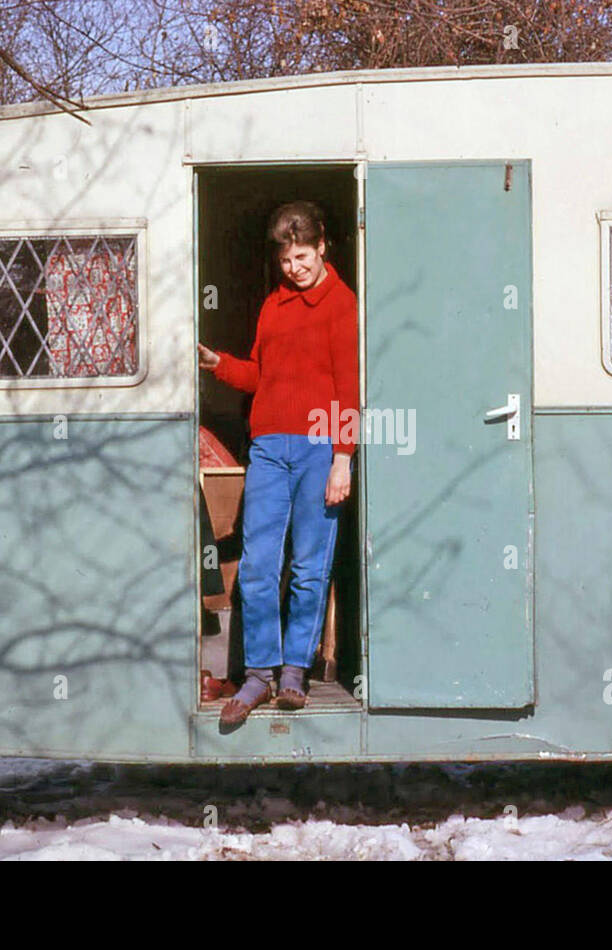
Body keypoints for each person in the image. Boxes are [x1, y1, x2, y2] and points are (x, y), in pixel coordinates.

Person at [197, 200, 359, 727]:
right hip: (268, 445)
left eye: (304, 256)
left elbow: (348, 387)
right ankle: (259, 675)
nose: (296, 268)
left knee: (310, 567)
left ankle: (295, 672)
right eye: (288, 259)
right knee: (259, 567)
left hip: (319, 445)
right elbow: (260, 376)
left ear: (323, 248)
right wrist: (220, 365)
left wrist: (343, 459)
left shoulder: (341, 304)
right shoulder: (273, 306)